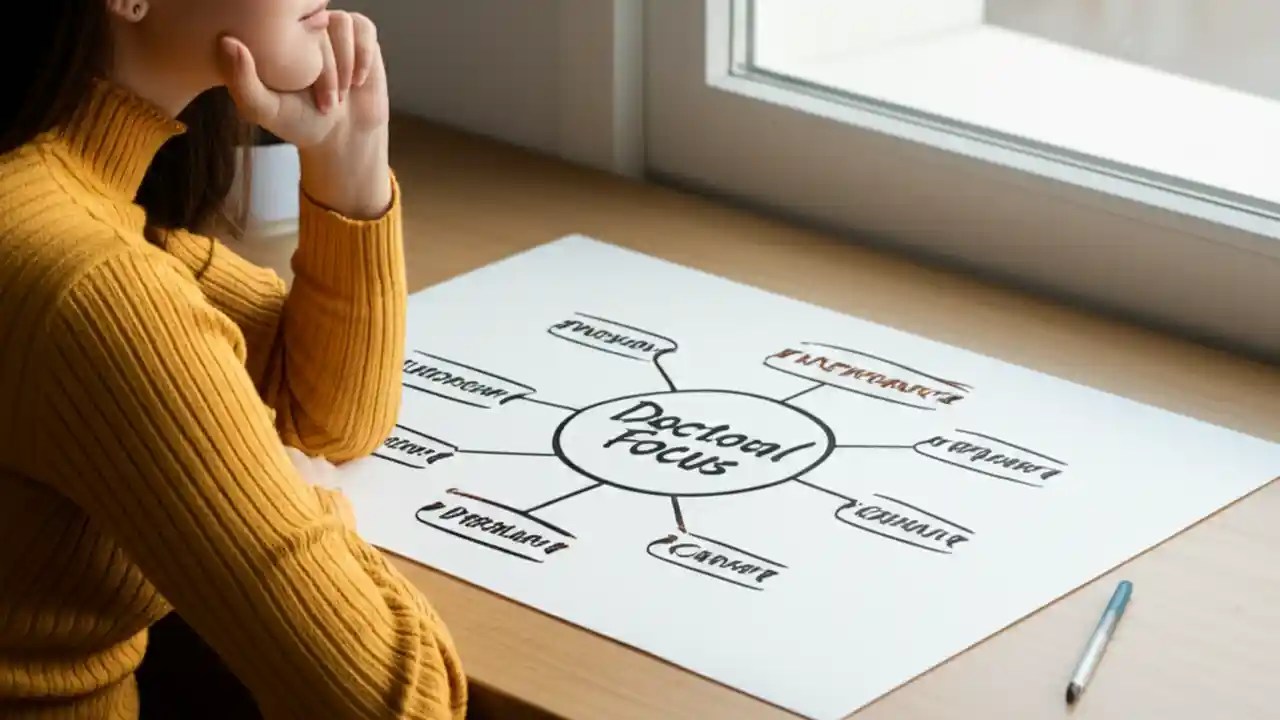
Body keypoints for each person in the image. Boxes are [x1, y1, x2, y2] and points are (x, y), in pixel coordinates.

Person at [0, 1, 468, 718]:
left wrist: (349, 160)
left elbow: (325, 416)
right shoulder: (93, 282)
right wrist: (307, 502)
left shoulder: (59, 197)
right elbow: (399, 706)